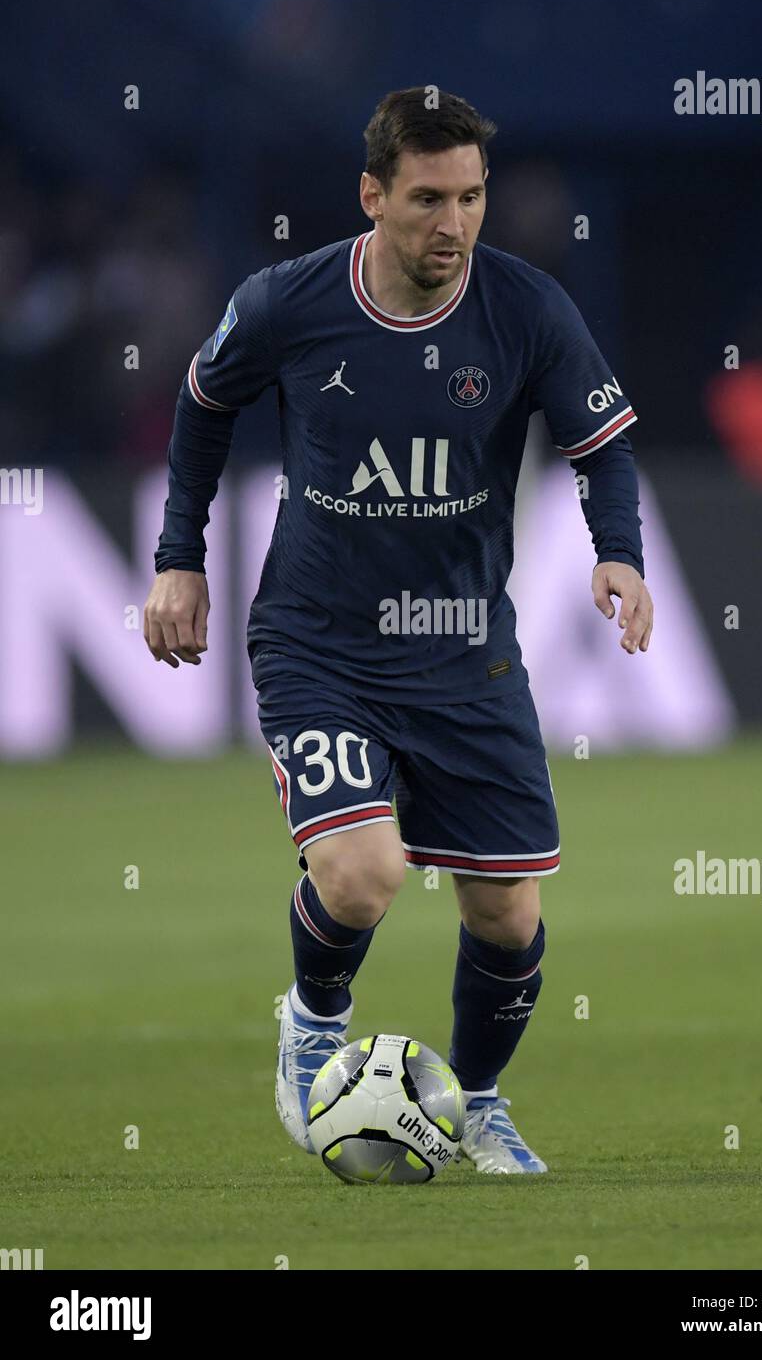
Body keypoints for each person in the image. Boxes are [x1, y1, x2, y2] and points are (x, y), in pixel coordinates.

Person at [144, 87, 653, 1174]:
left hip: (467, 650)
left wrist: (617, 550)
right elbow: (202, 402)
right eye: (427, 198)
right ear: (372, 195)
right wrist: (176, 558)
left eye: (470, 197)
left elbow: (600, 444)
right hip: (317, 643)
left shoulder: (524, 308)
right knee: (363, 873)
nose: (453, 224)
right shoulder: (287, 302)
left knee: (507, 914)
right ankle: (315, 1019)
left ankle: (475, 1103)